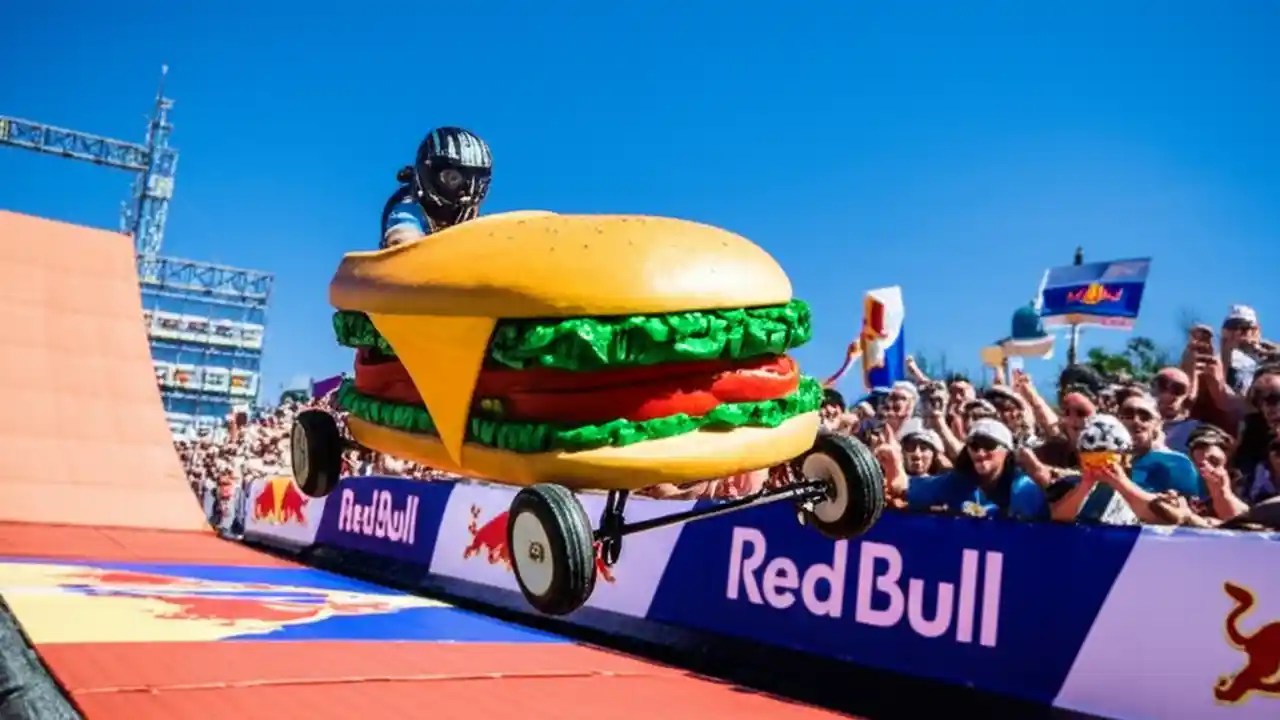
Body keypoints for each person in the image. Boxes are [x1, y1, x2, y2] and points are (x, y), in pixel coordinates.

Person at [381, 126, 493, 249]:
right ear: (428, 174)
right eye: (453, 178)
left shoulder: (472, 219)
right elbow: (403, 240)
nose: (466, 192)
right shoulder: (408, 208)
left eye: (476, 184)